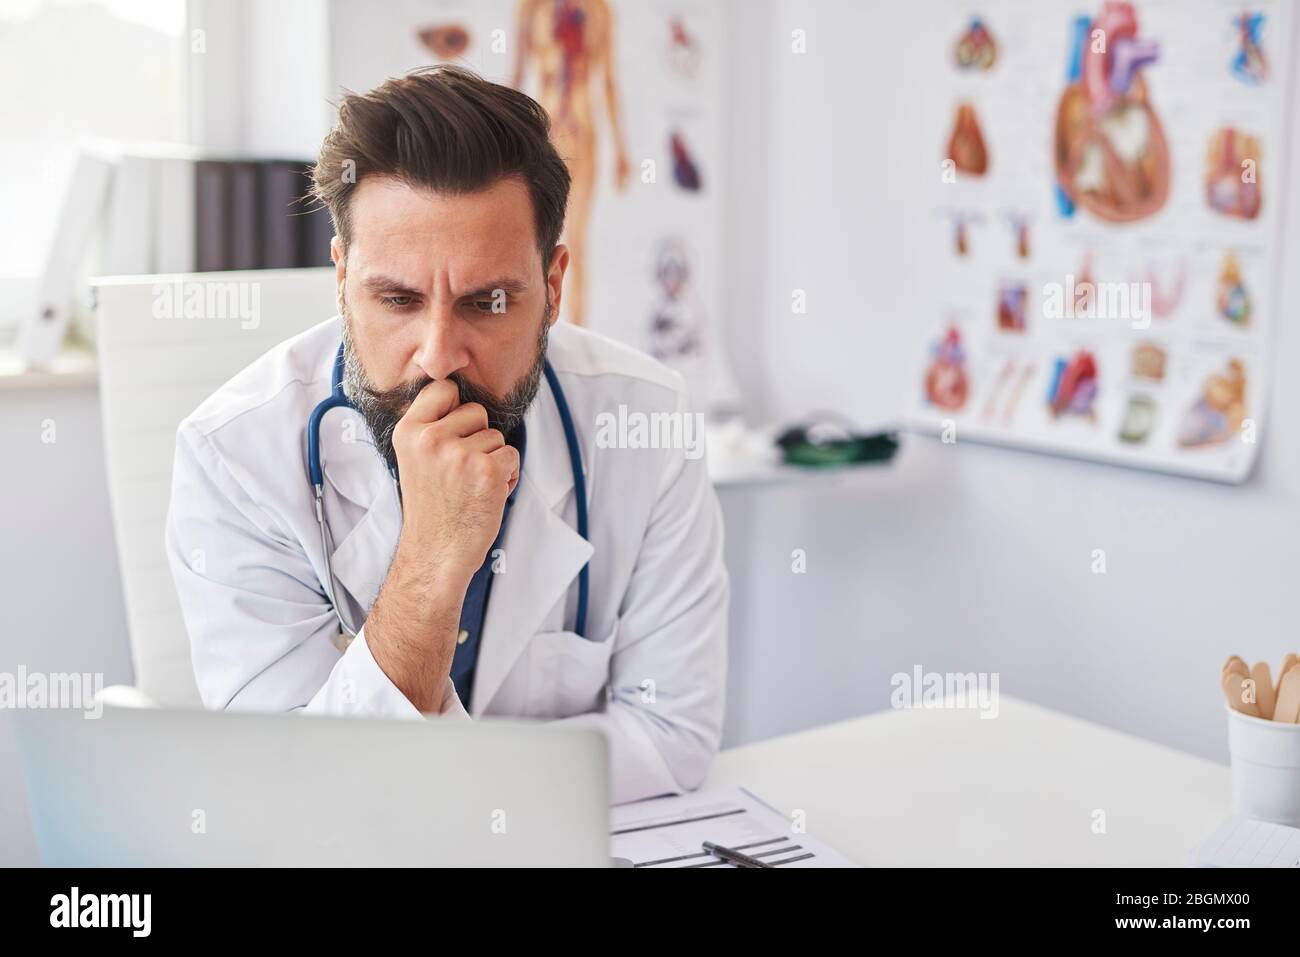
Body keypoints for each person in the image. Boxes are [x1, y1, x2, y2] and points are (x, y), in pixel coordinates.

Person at [165, 66, 727, 804]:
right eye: (396, 298)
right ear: (340, 278)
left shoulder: (646, 423)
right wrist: (432, 557)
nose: (437, 354)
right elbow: (294, 794)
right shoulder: (234, 457)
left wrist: (436, 778)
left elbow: (671, 737)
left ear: (554, 285)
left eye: (487, 302)